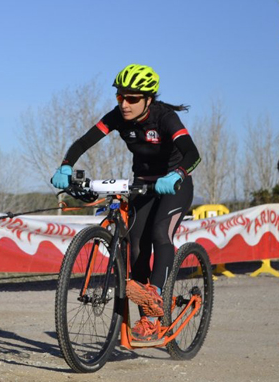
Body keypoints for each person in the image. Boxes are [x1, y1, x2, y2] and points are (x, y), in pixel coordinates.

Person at [50, 64, 201, 342]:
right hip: (142, 184)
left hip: (174, 184)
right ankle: (146, 315)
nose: (124, 104)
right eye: (120, 97)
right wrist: (66, 166)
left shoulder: (165, 118)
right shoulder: (118, 117)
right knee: (136, 247)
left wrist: (178, 173)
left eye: (132, 99)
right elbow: (84, 142)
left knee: (159, 234)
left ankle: (155, 308)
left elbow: (193, 153)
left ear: (148, 99)